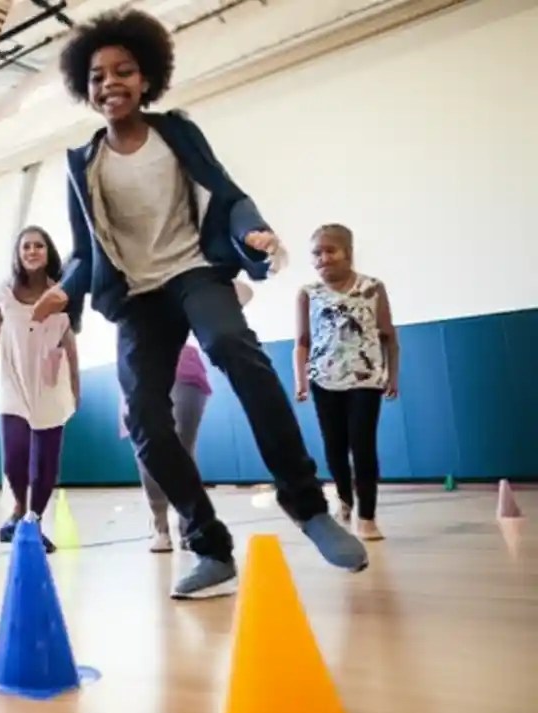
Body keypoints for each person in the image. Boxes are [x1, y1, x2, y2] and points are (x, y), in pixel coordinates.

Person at [32, 9, 367, 599]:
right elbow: (84, 251)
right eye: (97, 76)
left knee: (234, 346)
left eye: (124, 71)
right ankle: (208, 545)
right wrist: (65, 288)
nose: (110, 82)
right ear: (84, 89)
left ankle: (308, 506)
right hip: (136, 296)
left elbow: (230, 196)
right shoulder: (82, 164)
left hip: (194, 271)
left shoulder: (177, 132)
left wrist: (255, 232)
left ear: (146, 78)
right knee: (144, 419)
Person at [122, 280, 252, 553]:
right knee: (147, 450)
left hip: (185, 372)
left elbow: (242, 292)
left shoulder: (183, 281)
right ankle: (159, 525)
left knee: (181, 448)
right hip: (137, 373)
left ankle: (190, 525)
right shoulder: (130, 283)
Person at [295, 224, 398, 541]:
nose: (323, 258)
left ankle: (367, 516)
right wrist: (301, 379)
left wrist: (392, 375)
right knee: (334, 447)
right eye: (317, 253)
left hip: (365, 379)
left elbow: (389, 336)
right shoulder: (308, 293)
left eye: (330, 251)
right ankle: (344, 500)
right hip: (324, 380)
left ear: (347, 254)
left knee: (362, 445)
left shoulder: (372, 288)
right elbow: (302, 341)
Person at [0, 226, 80, 554]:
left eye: (38, 246)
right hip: (12, 380)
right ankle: (19, 508)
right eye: (26, 247)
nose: (32, 251)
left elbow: (70, 346)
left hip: (50, 381)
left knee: (45, 459)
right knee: (15, 455)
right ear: (18, 254)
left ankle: (34, 519)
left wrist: (76, 390)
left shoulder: (62, 295)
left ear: (48, 252)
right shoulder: (3, 293)